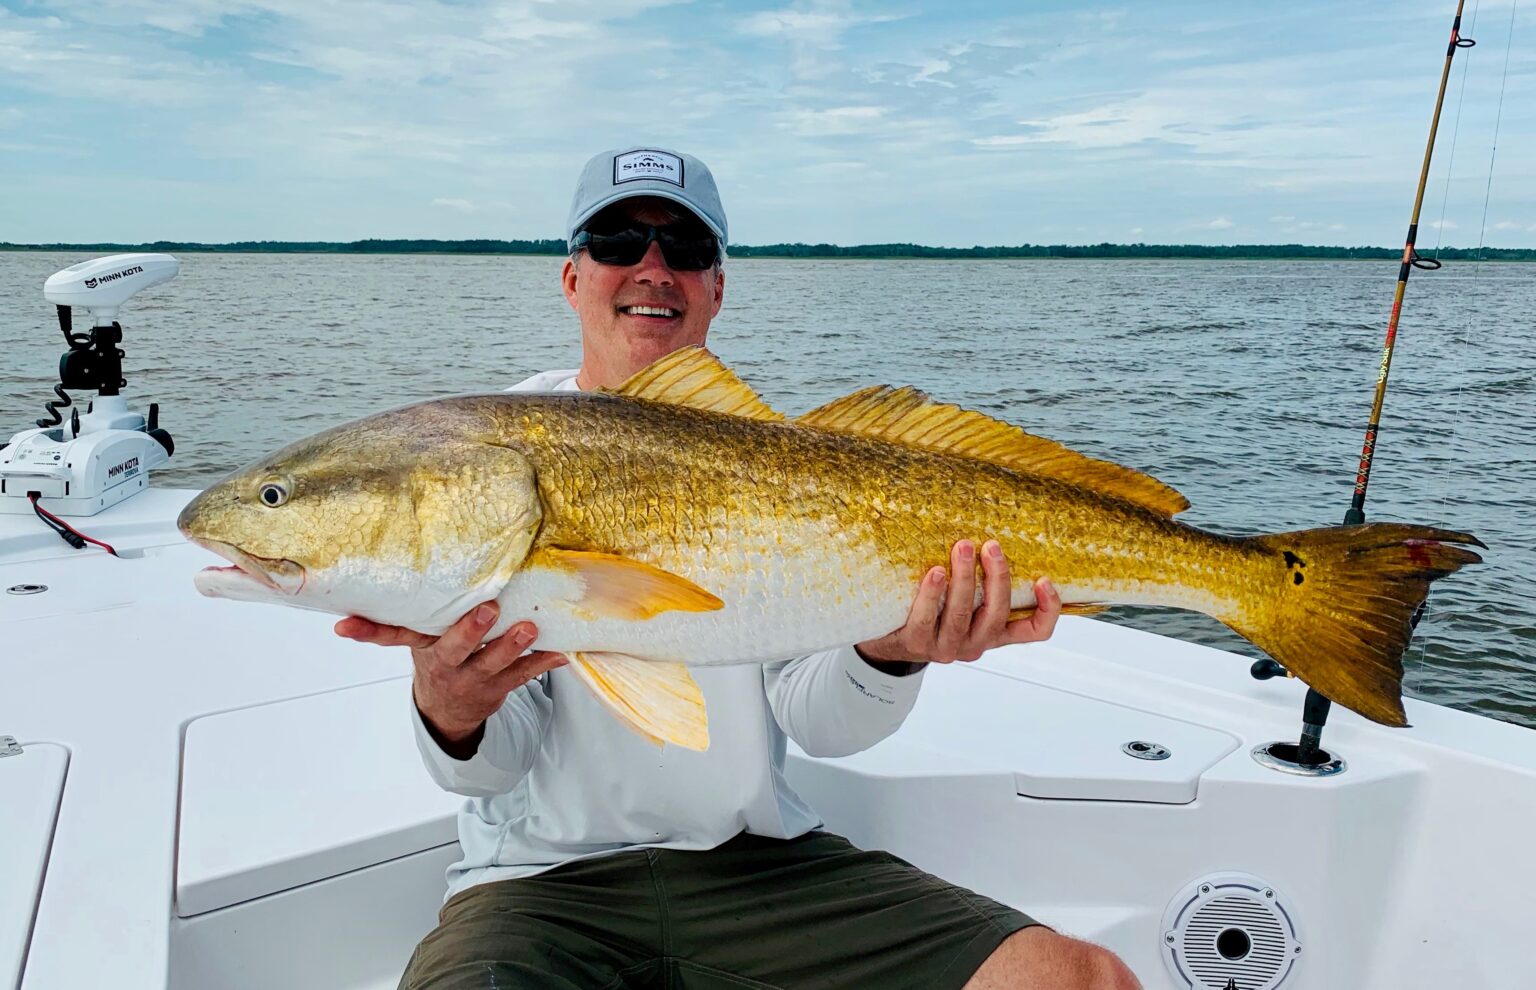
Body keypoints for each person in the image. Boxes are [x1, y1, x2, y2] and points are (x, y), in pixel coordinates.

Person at [338, 146, 1140, 990]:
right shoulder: (481, 461)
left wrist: (892, 652)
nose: (653, 267)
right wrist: (449, 704)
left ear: (716, 288)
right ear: (572, 278)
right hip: (538, 890)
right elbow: (492, 769)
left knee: (1081, 981)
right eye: (617, 241)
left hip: (760, 866)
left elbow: (821, 724)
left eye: (686, 249)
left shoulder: (780, 465)